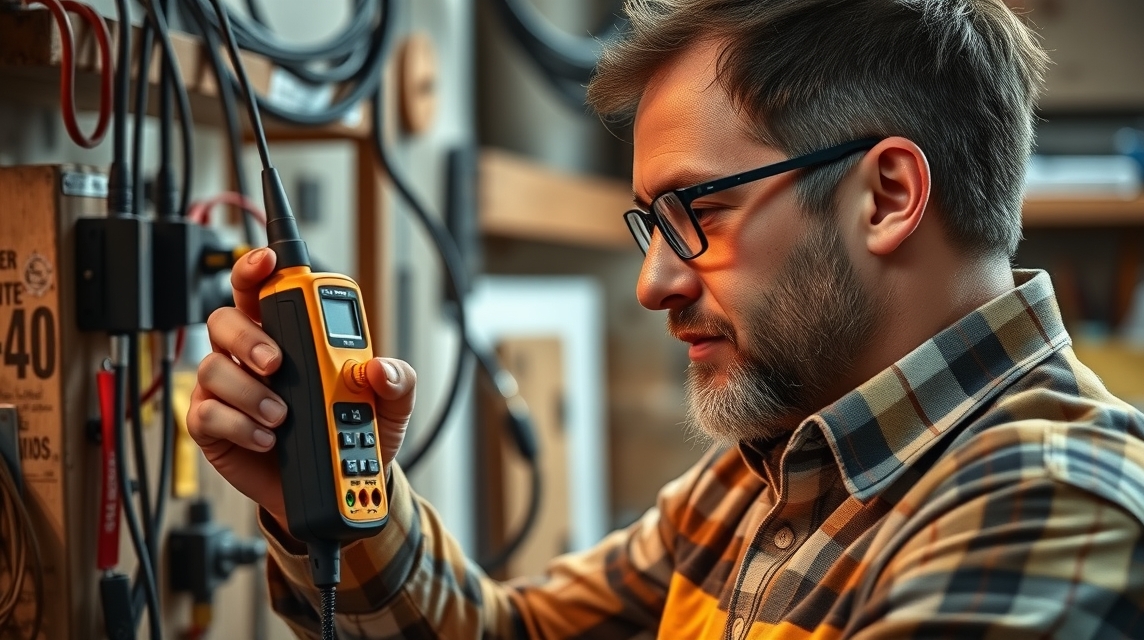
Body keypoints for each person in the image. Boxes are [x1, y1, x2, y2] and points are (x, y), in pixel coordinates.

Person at [188, 0, 1144, 637]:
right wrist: (328, 493)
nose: (653, 282)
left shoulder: (1049, 499)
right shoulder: (763, 474)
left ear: (888, 196)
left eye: (700, 212)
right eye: (651, 222)